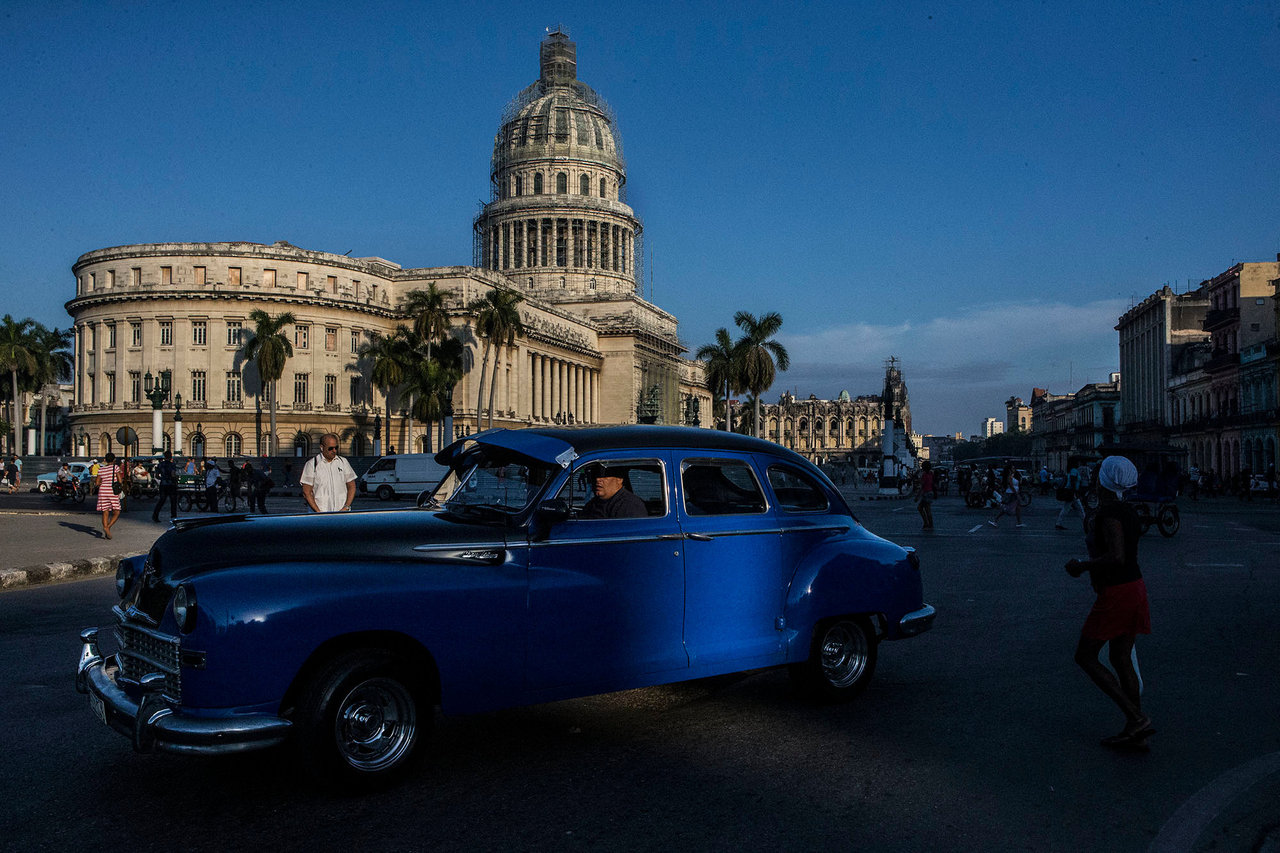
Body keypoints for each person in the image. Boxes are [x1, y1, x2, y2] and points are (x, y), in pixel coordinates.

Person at [1065, 455, 1153, 748]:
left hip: (1118, 591)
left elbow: (1116, 556)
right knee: (1120, 657)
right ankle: (1135, 727)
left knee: (1086, 656)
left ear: (1103, 479)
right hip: (1134, 586)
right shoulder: (1126, 510)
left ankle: (1136, 717)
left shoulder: (1110, 514)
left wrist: (1082, 565)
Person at [300, 433, 357, 512]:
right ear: (322, 447)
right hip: (320, 515)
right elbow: (306, 492)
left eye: (336, 447)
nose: (334, 451)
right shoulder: (312, 464)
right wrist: (318, 512)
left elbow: (352, 486)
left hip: (342, 513)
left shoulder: (343, 462)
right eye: (330, 448)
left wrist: (346, 506)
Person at [581, 462, 647, 518]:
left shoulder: (630, 506)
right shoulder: (592, 504)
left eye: (605, 476)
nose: (598, 479)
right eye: (596, 475)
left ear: (619, 479)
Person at [95, 452, 123, 538]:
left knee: (105, 511)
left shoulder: (101, 469)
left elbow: (97, 483)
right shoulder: (116, 467)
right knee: (117, 511)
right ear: (114, 460)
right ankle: (107, 527)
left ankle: (106, 527)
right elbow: (120, 480)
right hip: (112, 491)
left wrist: (104, 484)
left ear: (105, 460)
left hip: (103, 491)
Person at [1055, 464, 1085, 530]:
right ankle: (1085, 523)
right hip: (1071, 492)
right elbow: (1073, 481)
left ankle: (1058, 523)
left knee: (1068, 508)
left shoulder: (1072, 470)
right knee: (1079, 509)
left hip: (1071, 492)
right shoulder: (1074, 470)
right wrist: (1075, 492)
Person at [152, 449, 179, 522]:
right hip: (171, 484)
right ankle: (173, 516)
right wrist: (175, 478)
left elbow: (157, 476)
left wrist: (163, 478)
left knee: (161, 500)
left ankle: (155, 515)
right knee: (173, 501)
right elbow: (173, 474)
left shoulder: (160, 464)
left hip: (163, 484)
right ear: (170, 456)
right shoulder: (172, 464)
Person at [917, 461, 935, 530]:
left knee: (922, 508)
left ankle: (927, 523)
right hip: (930, 492)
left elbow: (922, 485)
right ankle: (929, 523)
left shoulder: (924, 475)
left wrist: (917, 496)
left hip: (926, 493)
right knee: (926, 509)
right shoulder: (931, 474)